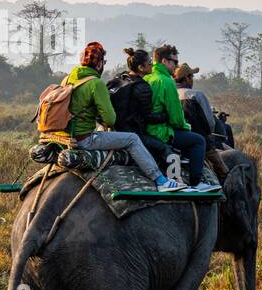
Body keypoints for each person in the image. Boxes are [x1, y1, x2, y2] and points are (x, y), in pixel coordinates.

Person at [65, 42, 186, 192]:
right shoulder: (95, 83)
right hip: (86, 138)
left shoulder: (69, 79)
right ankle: (161, 180)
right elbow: (110, 119)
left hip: (67, 137)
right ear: (99, 64)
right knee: (133, 139)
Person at [145, 44, 208, 188]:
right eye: (174, 62)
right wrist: (186, 127)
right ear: (164, 61)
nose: (176, 65)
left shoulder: (147, 78)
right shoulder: (167, 82)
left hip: (145, 131)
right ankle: (196, 182)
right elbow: (176, 118)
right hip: (160, 132)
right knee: (198, 141)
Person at [107, 47, 169, 164]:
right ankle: (171, 178)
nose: (152, 65)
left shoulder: (119, 78)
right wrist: (166, 115)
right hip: (132, 133)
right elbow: (148, 117)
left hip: (114, 131)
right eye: (149, 63)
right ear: (141, 68)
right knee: (164, 148)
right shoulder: (143, 87)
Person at [174, 62, 230, 180]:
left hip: (175, 141)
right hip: (201, 141)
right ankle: (221, 195)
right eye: (192, 77)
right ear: (187, 78)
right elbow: (210, 123)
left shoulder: (171, 93)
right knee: (223, 171)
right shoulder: (197, 95)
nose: (192, 80)